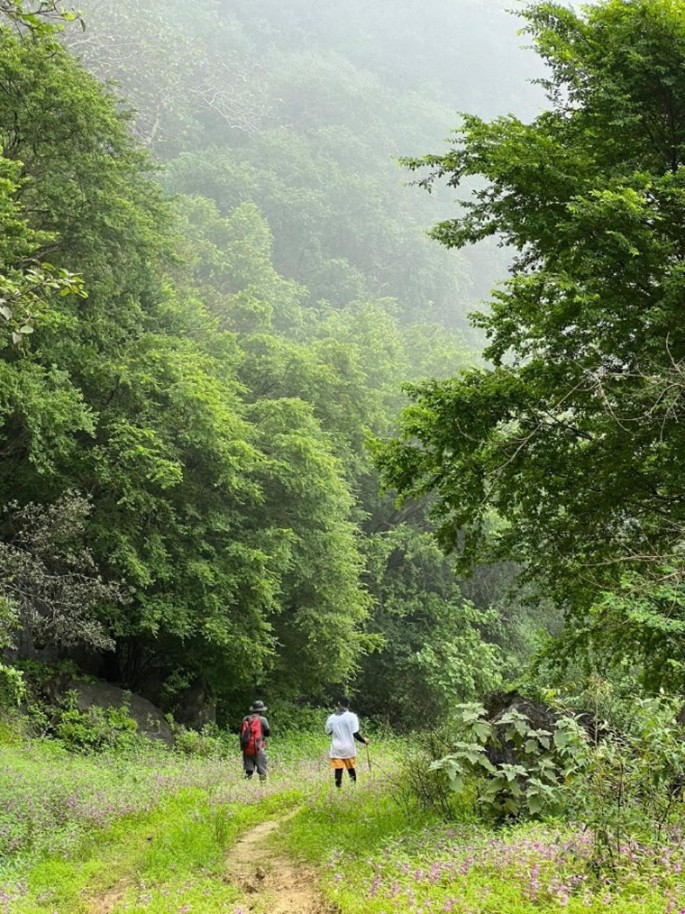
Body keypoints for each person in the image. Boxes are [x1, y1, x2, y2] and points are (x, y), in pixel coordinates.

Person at [325, 696, 369, 788]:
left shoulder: (331, 718)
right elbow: (355, 734)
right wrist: (364, 741)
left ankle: (338, 790)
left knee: (338, 770)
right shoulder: (352, 716)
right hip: (349, 748)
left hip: (336, 748)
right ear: (348, 705)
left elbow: (328, 732)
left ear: (338, 704)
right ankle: (353, 787)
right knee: (351, 769)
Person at [240, 700, 270, 781]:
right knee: (262, 771)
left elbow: (241, 733)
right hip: (258, 748)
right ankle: (263, 788)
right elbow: (267, 733)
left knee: (249, 771)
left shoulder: (245, 719)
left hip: (246, 748)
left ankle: (245, 786)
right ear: (261, 710)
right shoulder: (263, 719)